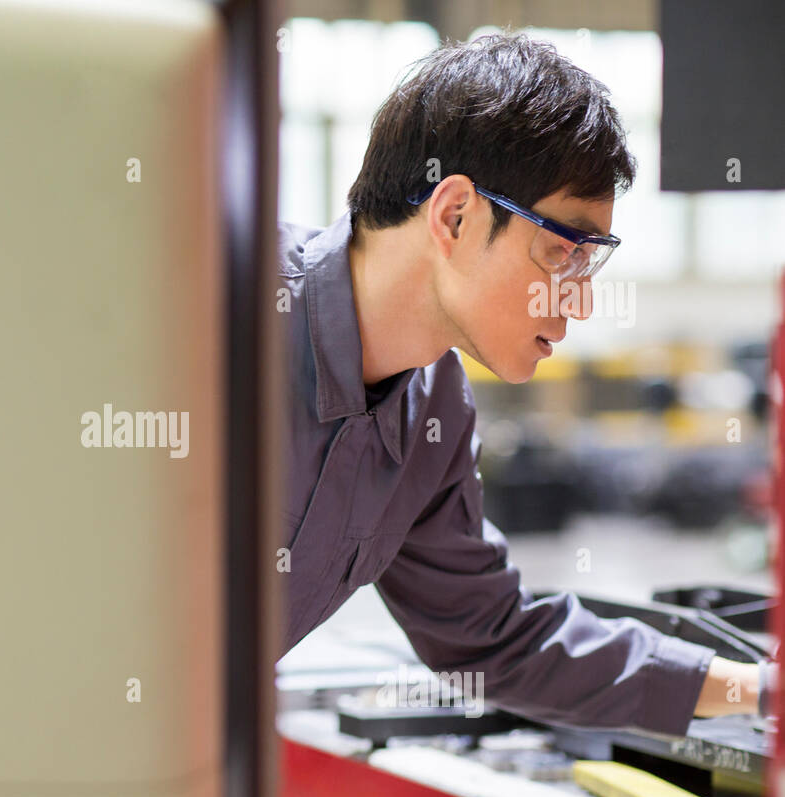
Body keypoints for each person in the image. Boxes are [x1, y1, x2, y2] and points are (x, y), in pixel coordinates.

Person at [278, 31, 775, 735]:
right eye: (561, 253)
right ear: (455, 215)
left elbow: (491, 639)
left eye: (590, 264)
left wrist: (759, 689)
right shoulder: (211, 313)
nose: (581, 301)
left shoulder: (434, 415)